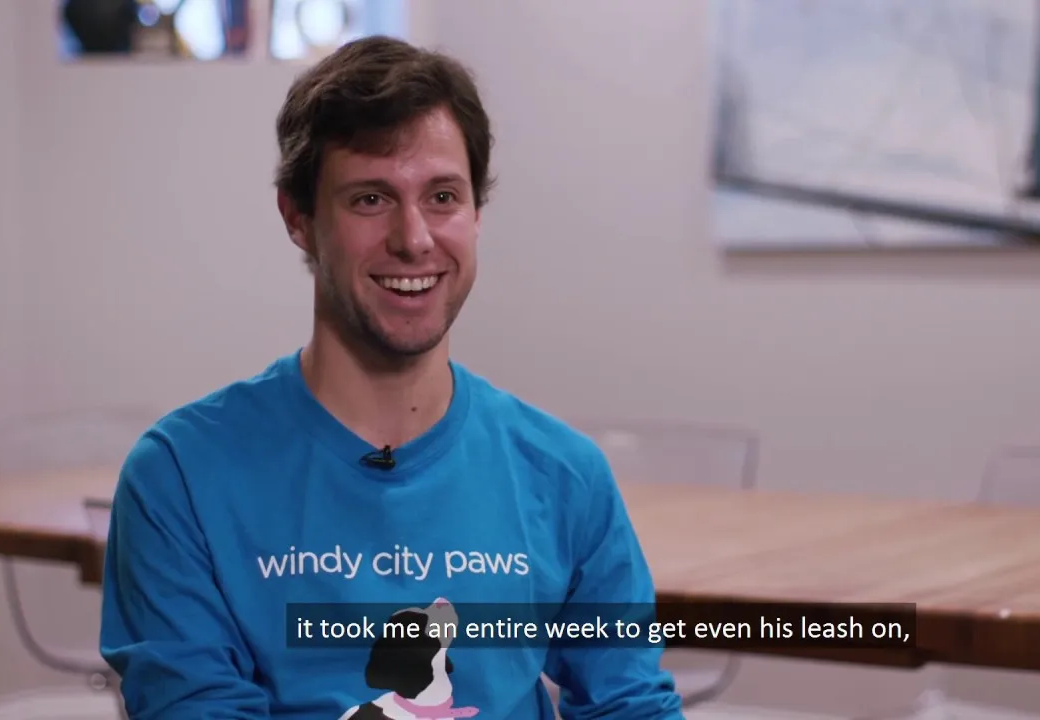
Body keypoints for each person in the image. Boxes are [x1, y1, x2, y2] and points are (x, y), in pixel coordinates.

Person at [98, 35, 684, 720]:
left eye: (442, 196)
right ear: (299, 219)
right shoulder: (182, 477)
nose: (414, 238)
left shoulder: (564, 475)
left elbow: (629, 703)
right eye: (371, 199)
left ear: (476, 212)